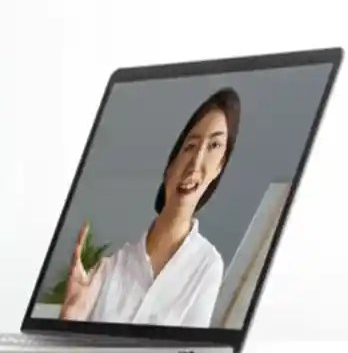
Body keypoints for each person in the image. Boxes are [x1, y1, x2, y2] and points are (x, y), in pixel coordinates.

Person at [58, 88, 242, 327]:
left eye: (214, 145)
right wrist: (70, 318)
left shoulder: (206, 265)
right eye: (190, 146)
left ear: (219, 167)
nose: (196, 162)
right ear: (169, 169)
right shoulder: (110, 269)